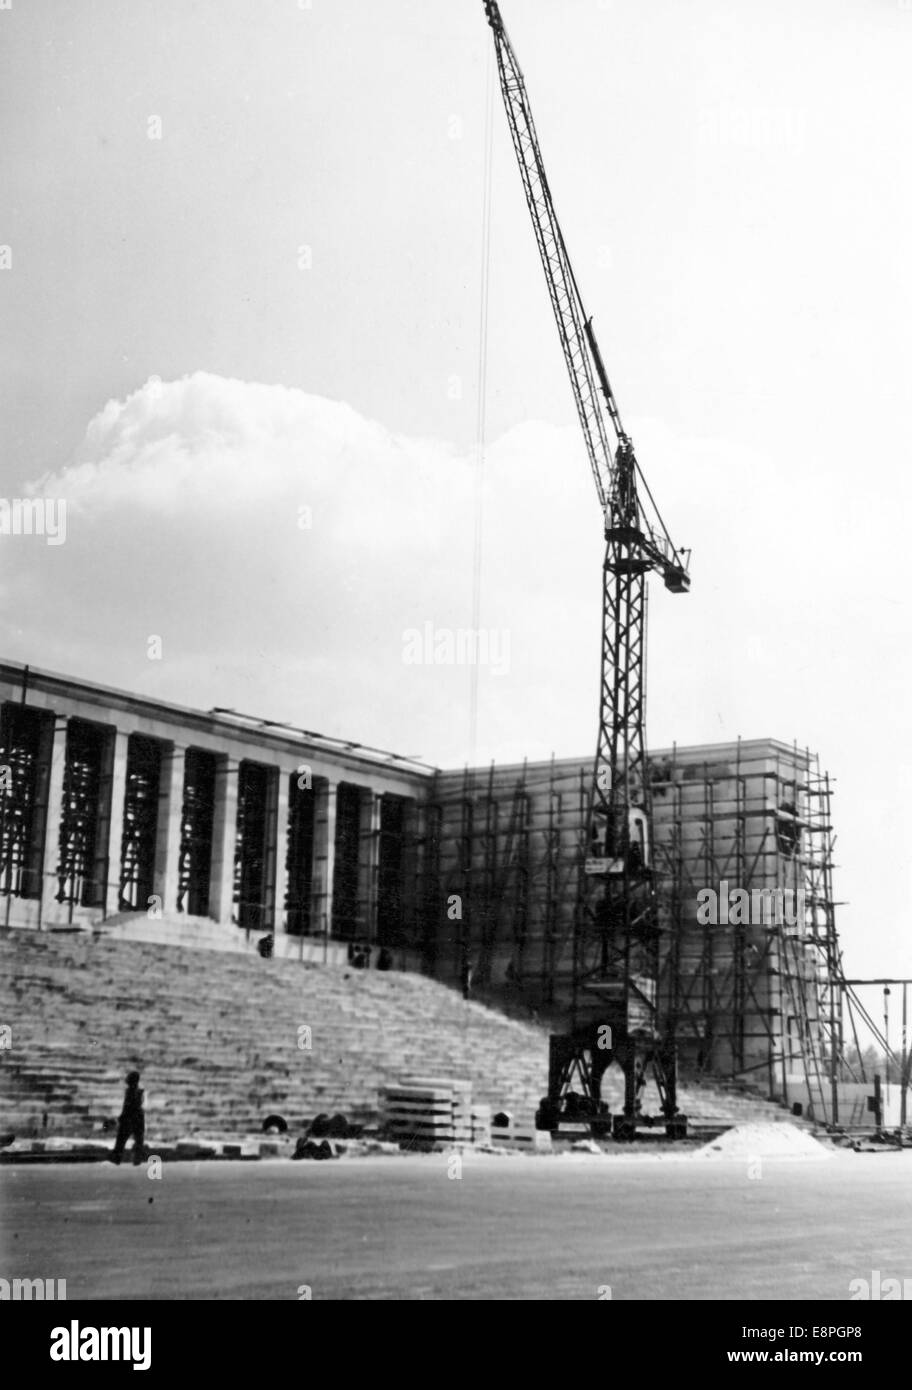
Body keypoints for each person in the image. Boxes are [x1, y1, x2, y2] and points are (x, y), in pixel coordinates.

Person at [111, 1070, 145, 1166]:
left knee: (121, 1138)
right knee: (138, 1139)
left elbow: (127, 1106)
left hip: (129, 1117)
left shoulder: (130, 1092)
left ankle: (116, 1158)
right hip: (138, 1117)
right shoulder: (140, 1092)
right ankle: (137, 1159)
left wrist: (121, 1117)